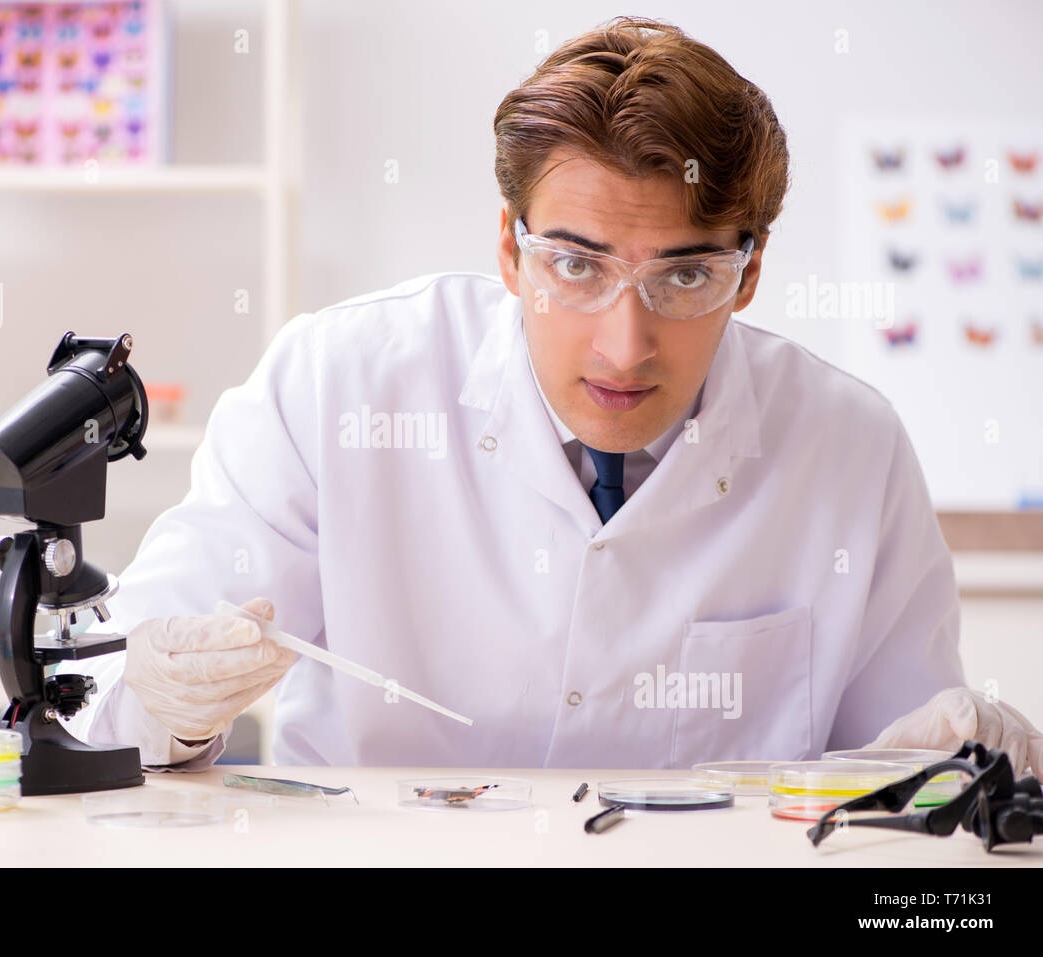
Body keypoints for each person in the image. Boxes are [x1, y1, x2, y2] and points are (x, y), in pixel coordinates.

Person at [59, 17, 1042, 776]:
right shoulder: (338, 384)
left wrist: (953, 766)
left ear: (747, 276)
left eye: (684, 277)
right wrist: (165, 694)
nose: (625, 341)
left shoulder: (847, 448)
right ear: (507, 249)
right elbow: (98, 704)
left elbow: (907, 791)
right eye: (575, 266)